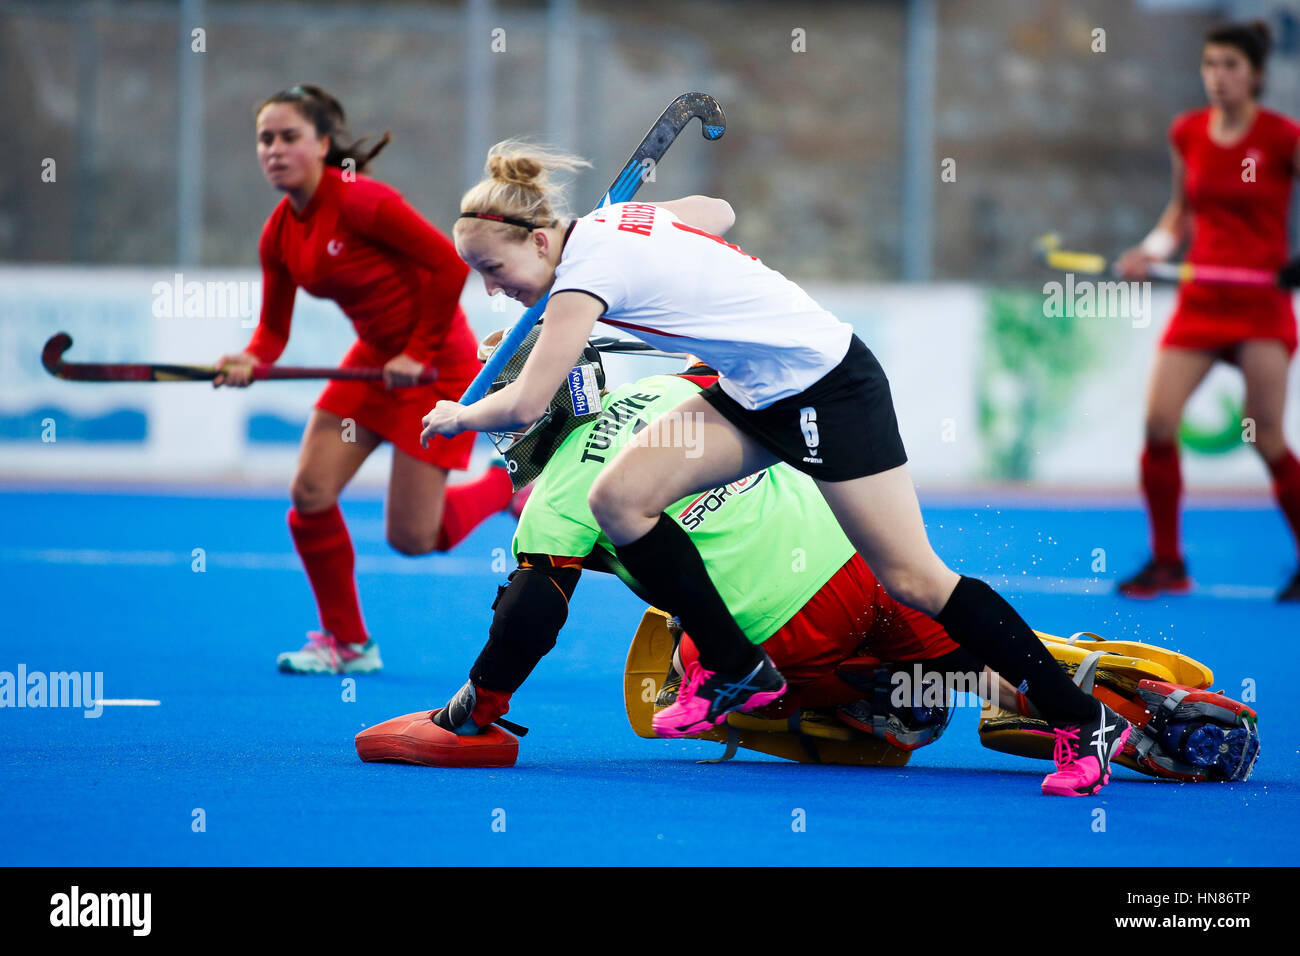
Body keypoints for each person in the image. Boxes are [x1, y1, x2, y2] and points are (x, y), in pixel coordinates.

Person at [420, 142, 1132, 796]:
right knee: (621, 499)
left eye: (495, 269)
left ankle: (1083, 722)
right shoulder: (613, 230)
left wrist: (458, 414)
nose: (494, 290)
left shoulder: (580, 280)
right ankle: (737, 671)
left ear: (541, 239)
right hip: (753, 390)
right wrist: (638, 225)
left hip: (826, 387)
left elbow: (526, 404)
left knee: (914, 578)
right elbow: (718, 213)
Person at [214, 85, 521, 675]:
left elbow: (442, 261)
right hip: (372, 364)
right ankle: (349, 643)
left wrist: (416, 350)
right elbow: (272, 331)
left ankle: (504, 489)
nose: (274, 150)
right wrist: (252, 359)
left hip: (436, 364)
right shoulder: (279, 232)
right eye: (265, 139)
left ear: (323, 144)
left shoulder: (363, 202)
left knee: (413, 537)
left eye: (288, 137)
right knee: (309, 495)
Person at [1115, 21, 1300, 600]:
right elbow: (1180, 213)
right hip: (1202, 301)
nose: (1217, 77)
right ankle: (1168, 563)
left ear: (1256, 75)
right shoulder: (1188, 132)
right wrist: (1151, 251)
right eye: (1210, 65)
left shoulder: (1282, 137)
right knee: (1158, 424)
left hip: (1261, 304)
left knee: (1265, 436)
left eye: (1230, 66)